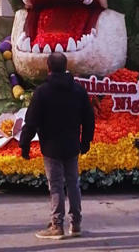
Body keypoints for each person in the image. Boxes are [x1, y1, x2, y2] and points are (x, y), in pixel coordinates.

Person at [20, 52, 95, 240]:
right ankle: (76, 223)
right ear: (66, 66)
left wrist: (24, 144)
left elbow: (31, 121)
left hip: (51, 146)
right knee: (73, 184)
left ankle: (57, 226)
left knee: (55, 186)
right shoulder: (78, 90)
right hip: (71, 145)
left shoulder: (42, 92)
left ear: (49, 68)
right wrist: (86, 141)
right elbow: (89, 119)